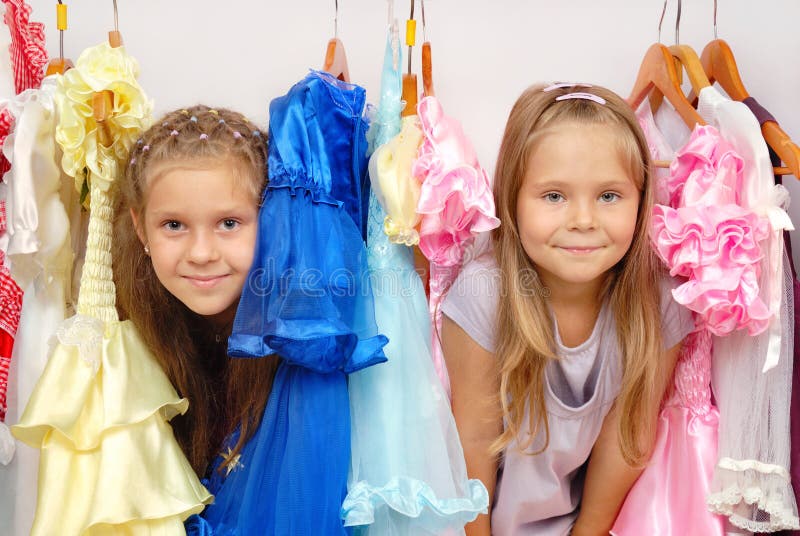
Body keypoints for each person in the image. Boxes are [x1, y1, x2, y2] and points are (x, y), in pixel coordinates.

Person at [441, 83, 693, 535]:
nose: (583, 219)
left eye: (609, 196)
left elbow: (627, 439)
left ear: (642, 201)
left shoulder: (658, 302)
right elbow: (471, 447)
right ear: (513, 200)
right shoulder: (485, 294)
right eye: (554, 196)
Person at [112, 104, 277, 483]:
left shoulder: (294, 335)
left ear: (268, 217)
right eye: (174, 225)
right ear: (141, 229)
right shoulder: (125, 336)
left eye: (229, 223)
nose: (202, 254)